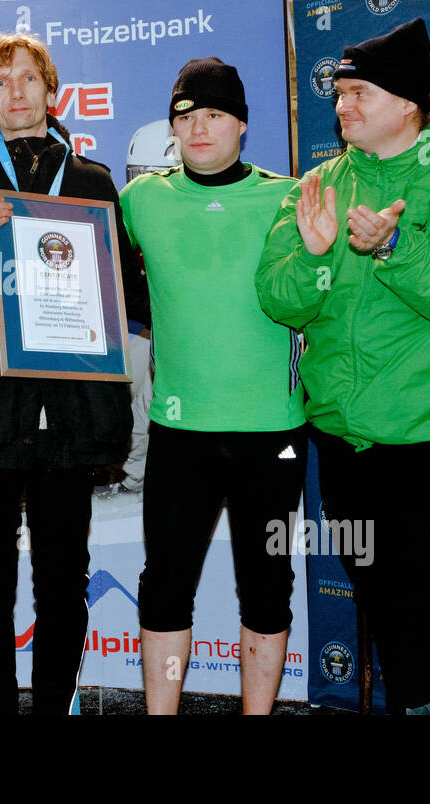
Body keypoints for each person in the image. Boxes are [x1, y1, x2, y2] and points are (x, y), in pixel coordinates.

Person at [255, 18, 430, 715]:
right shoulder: (315, 187)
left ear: (408, 103)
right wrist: (312, 256)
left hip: (428, 443)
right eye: (339, 93)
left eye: (358, 92)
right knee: (381, 600)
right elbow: (277, 299)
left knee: (416, 611)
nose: (341, 105)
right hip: (343, 444)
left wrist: (395, 247)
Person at [0, 32, 149, 714]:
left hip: (68, 419)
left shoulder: (91, 184)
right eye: (1, 82)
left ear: (52, 95)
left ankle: (53, 706)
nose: (16, 93)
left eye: (28, 80)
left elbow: (128, 301)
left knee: (63, 579)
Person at [121, 58, 306, 714]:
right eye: (186, 115)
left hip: (274, 432)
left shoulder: (290, 196)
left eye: (214, 115)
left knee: (267, 586)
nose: (198, 127)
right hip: (180, 432)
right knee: (166, 586)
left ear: (242, 125)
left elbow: (319, 294)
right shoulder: (141, 200)